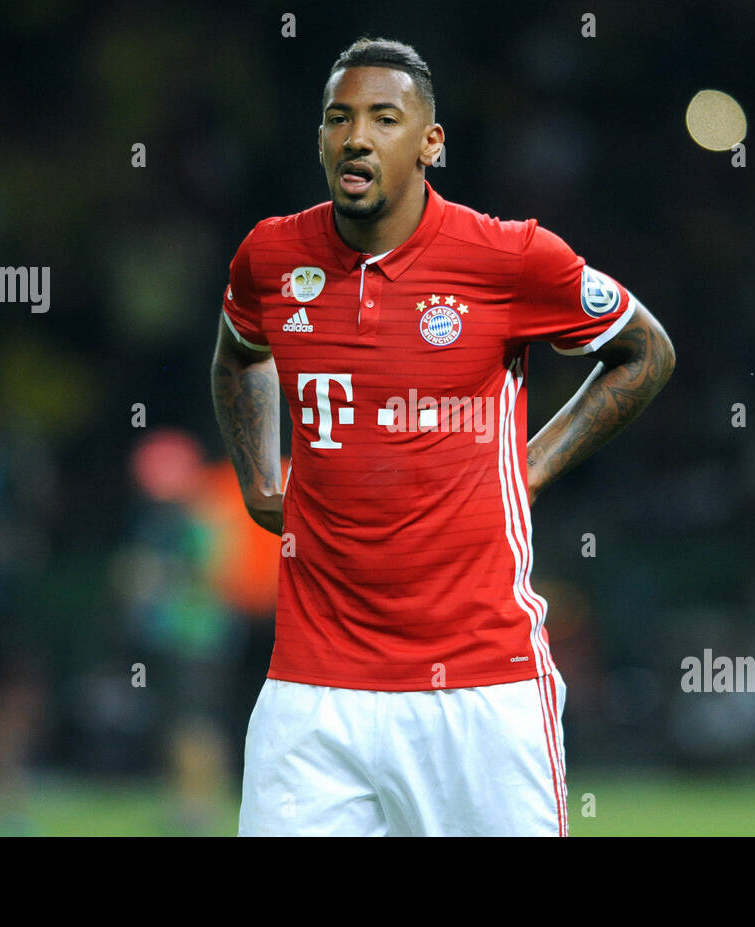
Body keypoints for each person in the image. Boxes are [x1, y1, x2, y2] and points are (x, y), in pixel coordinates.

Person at [211, 37, 675, 836]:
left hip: (480, 689)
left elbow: (645, 350)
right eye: (339, 118)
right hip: (313, 694)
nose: (356, 136)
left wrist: (531, 464)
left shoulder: (510, 258)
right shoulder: (272, 256)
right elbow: (239, 354)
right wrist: (259, 477)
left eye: (384, 118)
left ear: (432, 144)